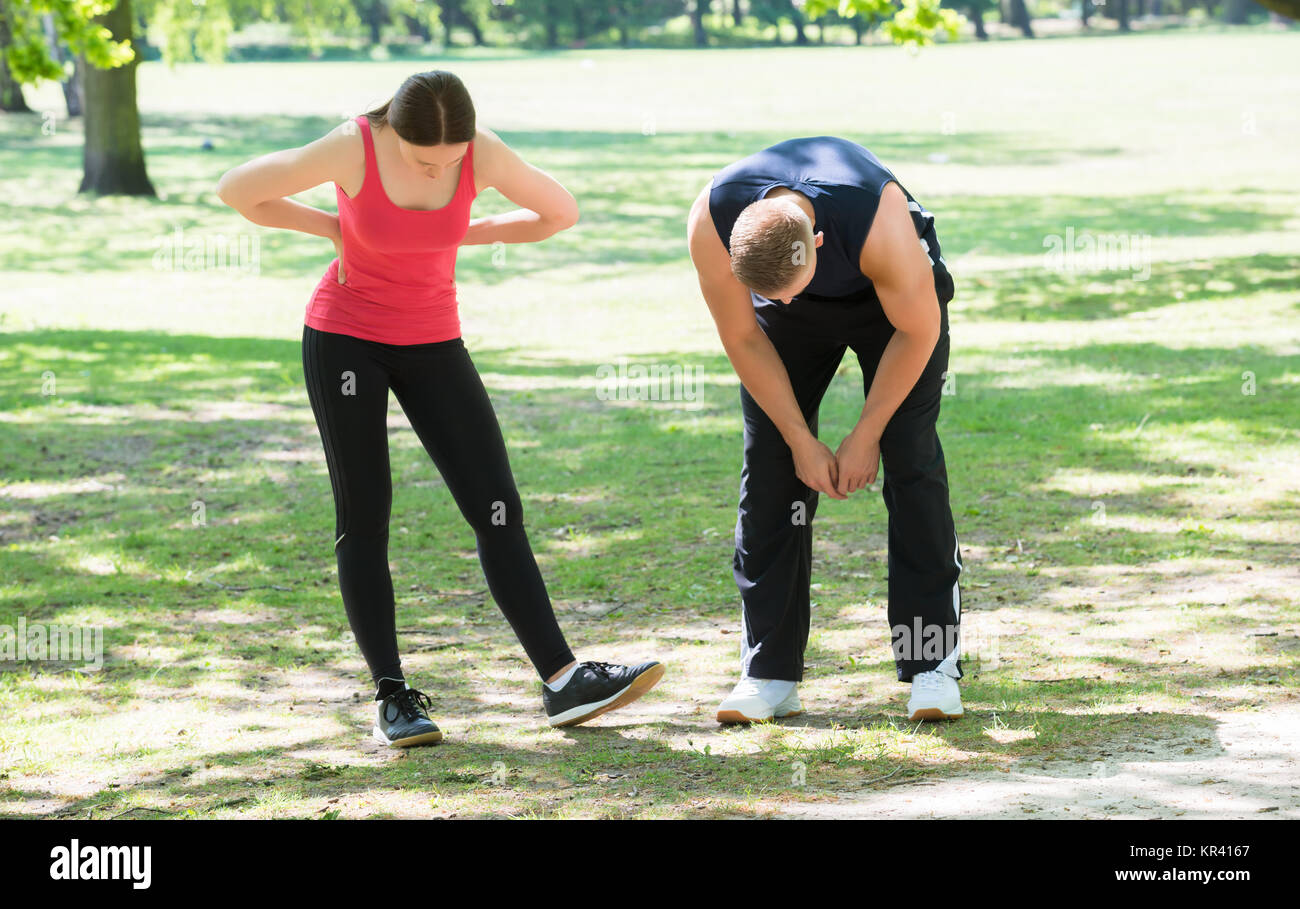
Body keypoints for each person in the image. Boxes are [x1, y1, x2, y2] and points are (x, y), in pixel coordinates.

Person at [217, 70, 662, 747]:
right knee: (365, 513)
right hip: (346, 338)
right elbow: (240, 190)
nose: (437, 173)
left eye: (450, 164)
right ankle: (394, 698)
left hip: (433, 340)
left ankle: (562, 679)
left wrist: (470, 234)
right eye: (424, 161)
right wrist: (334, 227)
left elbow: (559, 212)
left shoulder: (478, 150)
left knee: (497, 506)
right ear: (395, 131)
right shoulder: (354, 144)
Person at [685, 136, 963, 724]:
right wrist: (797, 438)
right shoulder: (712, 222)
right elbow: (743, 336)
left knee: (909, 456)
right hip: (791, 307)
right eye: (766, 295)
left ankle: (929, 664)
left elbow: (918, 332)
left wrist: (866, 433)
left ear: (814, 244)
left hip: (888, 303)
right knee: (770, 473)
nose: (779, 303)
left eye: (786, 289)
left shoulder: (877, 222)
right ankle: (770, 673)